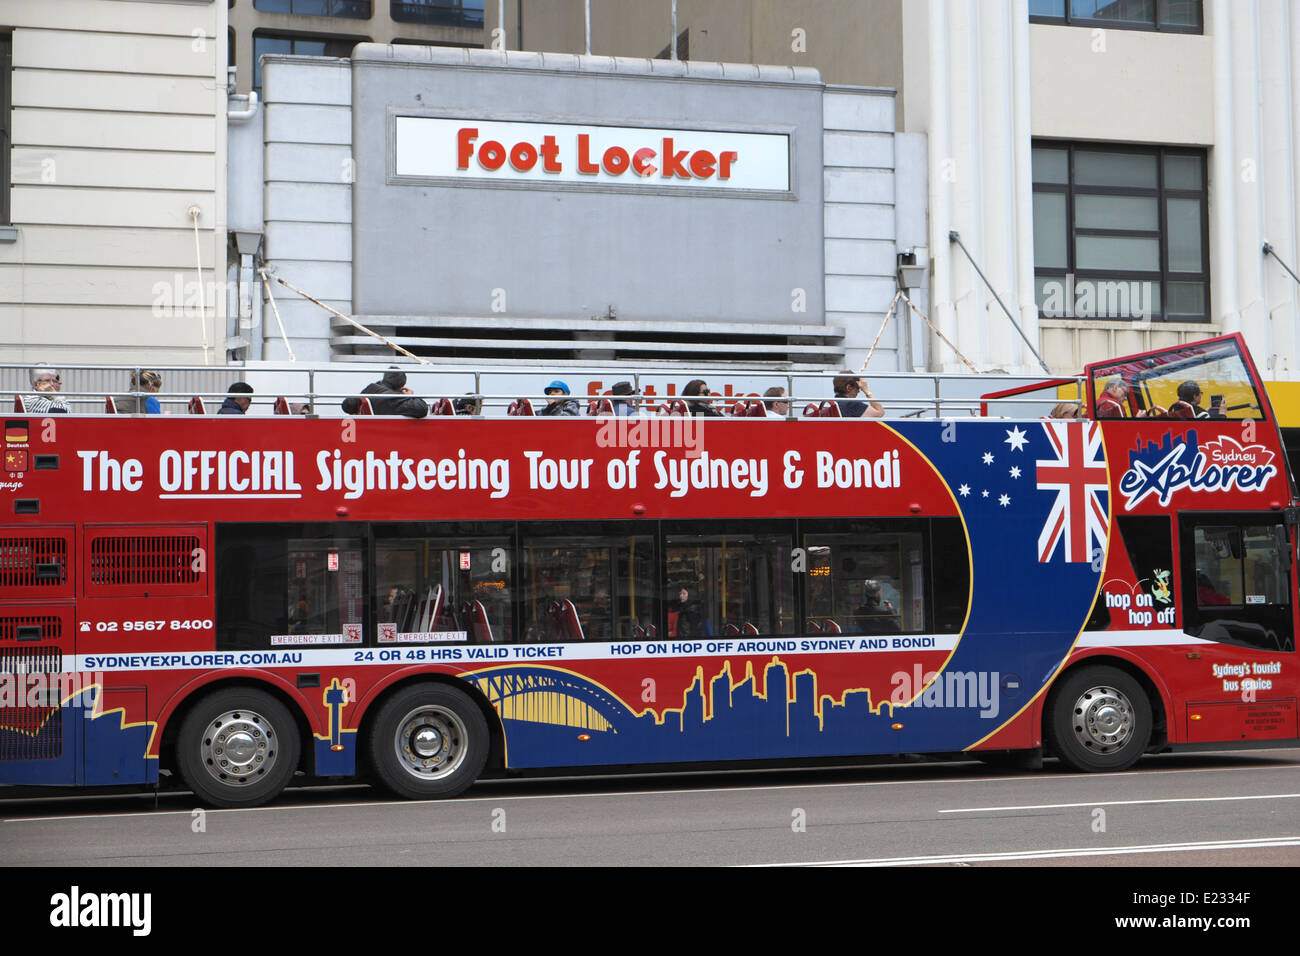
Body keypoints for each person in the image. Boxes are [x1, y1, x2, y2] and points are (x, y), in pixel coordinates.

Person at [342, 369, 429, 418]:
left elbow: (346, 406)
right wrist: (410, 397)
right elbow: (422, 409)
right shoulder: (393, 398)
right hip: (386, 438)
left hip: (365, 434)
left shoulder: (369, 389)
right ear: (400, 388)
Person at [1094, 378, 1164, 419]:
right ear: (1115, 388)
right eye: (1125, 393)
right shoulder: (1113, 405)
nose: (1126, 398)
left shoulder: (1098, 403)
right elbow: (1122, 431)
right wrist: (1138, 419)